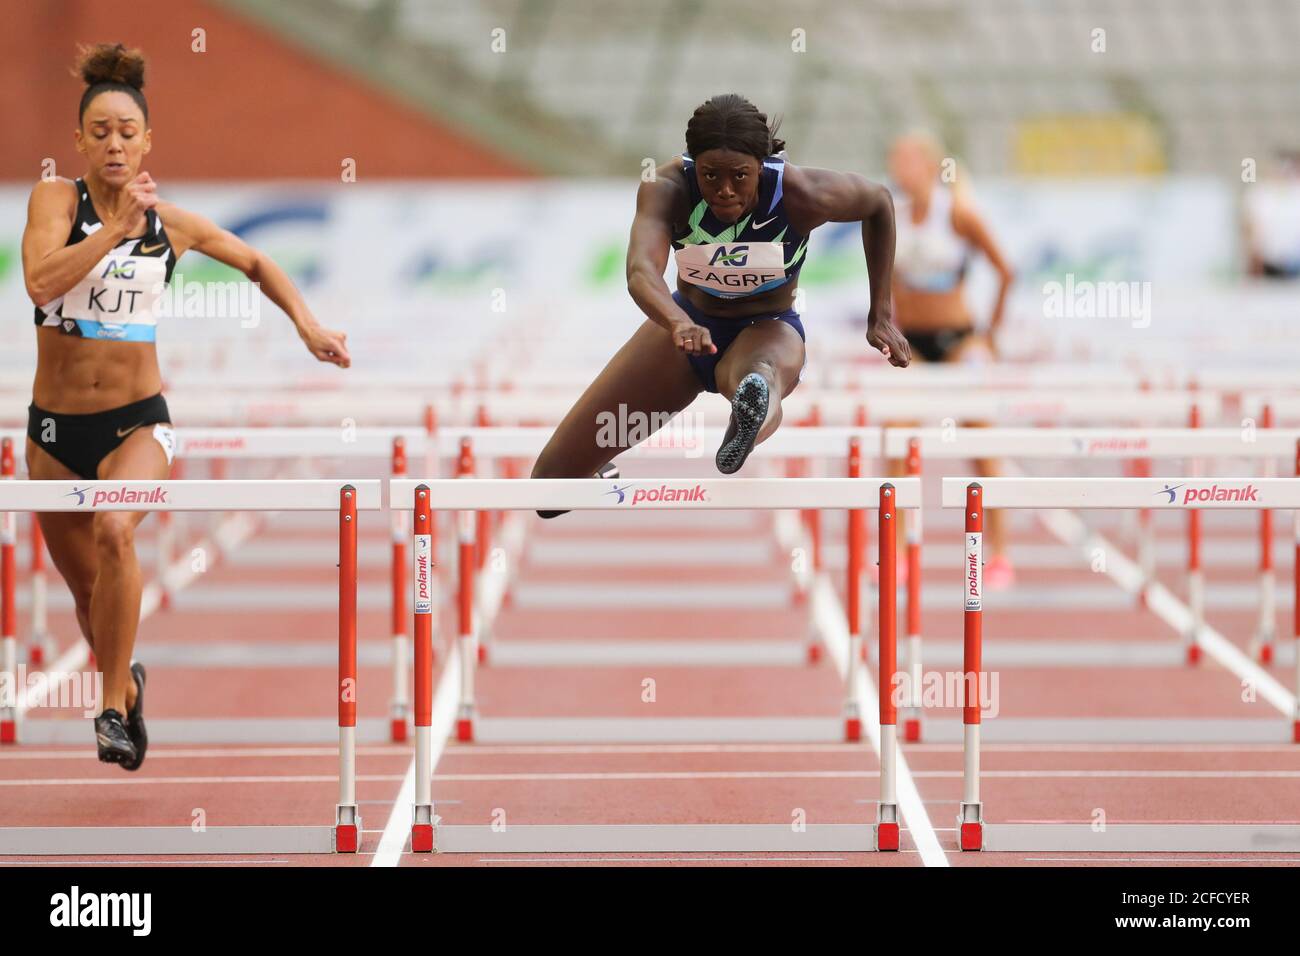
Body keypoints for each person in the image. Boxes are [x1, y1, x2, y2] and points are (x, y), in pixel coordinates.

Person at [20, 43, 350, 769]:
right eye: (100, 130)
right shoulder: (56, 201)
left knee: (116, 529)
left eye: (127, 132)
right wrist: (114, 232)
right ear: (78, 141)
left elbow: (258, 261)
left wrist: (307, 324)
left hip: (137, 424)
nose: (113, 142)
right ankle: (127, 687)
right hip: (51, 436)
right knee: (88, 602)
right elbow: (42, 284)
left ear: (146, 141)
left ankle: (106, 710)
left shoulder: (175, 224)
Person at [531, 93, 907, 513]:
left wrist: (881, 315)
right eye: (710, 176)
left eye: (740, 177)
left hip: (768, 327)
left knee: (758, 377)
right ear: (694, 164)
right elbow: (641, 270)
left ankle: (749, 412)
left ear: (761, 166)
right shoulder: (667, 188)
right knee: (549, 491)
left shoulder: (802, 193)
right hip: (687, 327)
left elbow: (878, 203)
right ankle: (599, 468)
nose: (725, 191)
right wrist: (676, 322)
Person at [886, 132, 1016, 586]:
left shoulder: (957, 213)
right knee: (896, 438)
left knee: (980, 440)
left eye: (906, 159)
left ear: (929, 165)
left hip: (960, 340)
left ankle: (999, 553)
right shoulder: (893, 217)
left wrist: (991, 335)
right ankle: (898, 551)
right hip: (913, 346)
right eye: (894, 159)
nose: (898, 168)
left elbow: (1006, 270)